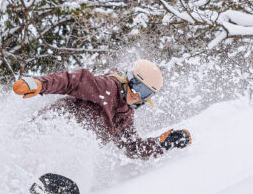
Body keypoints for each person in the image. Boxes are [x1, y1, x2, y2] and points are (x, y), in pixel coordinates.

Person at [12, 59, 192, 160]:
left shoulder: (125, 116)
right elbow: (72, 81)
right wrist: (39, 84)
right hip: (44, 130)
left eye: (145, 94)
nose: (138, 96)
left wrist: (162, 144)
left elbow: (132, 147)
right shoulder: (107, 88)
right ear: (129, 79)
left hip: (60, 152)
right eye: (138, 87)